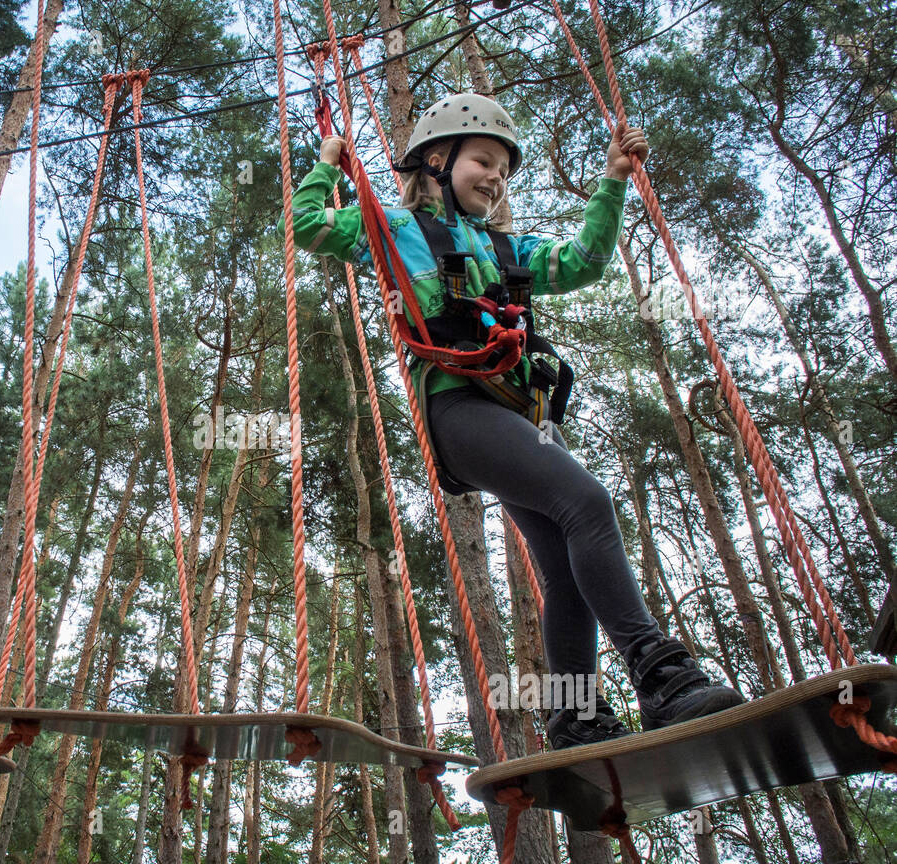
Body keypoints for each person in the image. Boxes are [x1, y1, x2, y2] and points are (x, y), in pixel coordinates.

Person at [281, 93, 743, 749]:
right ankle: (661, 676)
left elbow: (584, 261)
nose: (495, 178)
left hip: (514, 414)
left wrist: (612, 181)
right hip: (457, 408)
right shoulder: (391, 226)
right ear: (438, 160)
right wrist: (328, 164)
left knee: (561, 560)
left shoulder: (507, 247)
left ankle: (576, 715)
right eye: (484, 161)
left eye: (503, 169)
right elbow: (306, 225)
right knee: (586, 502)